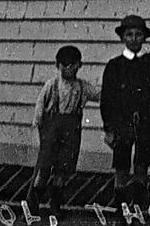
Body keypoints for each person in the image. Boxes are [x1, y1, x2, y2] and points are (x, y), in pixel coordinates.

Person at [101, 14, 150, 208]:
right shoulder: (114, 66)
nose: (134, 38)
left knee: (141, 165)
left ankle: (138, 207)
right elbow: (107, 100)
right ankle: (121, 210)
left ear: (144, 38)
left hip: (146, 123)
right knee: (121, 167)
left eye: (138, 34)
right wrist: (109, 128)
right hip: (121, 124)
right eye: (129, 34)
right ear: (123, 38)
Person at [30, 44, 102, 215]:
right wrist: (39, 125)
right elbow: (40, 105)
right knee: (44, 169)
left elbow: (100, 95)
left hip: (71, 133)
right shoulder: (52, 85)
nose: (69, 69)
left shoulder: (82, 87)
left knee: (62, 170)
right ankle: (33, 204)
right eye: (64, 65)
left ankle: (55, 206)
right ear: (57, 66)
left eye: (73, 65)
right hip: (51, 132)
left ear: (79, 65)